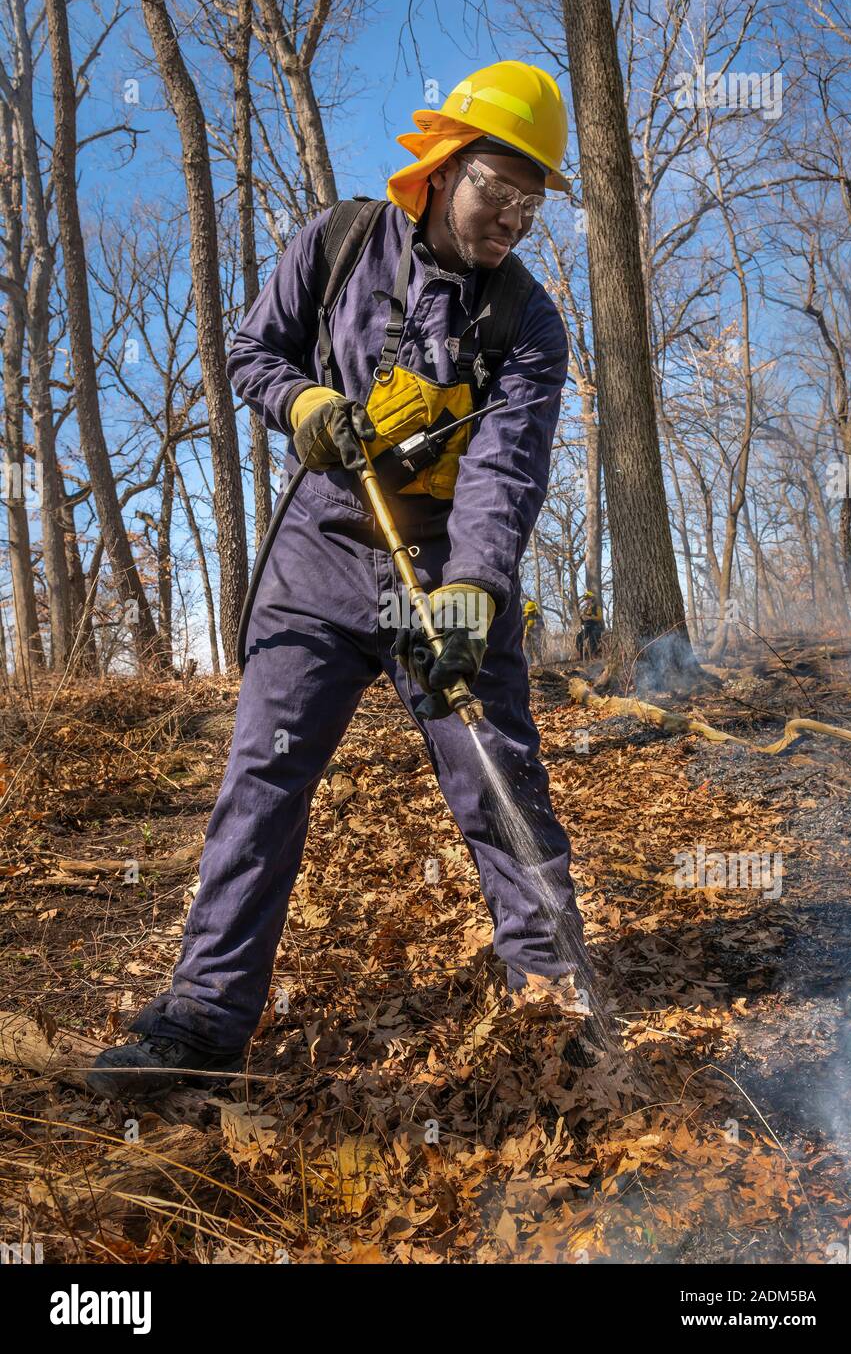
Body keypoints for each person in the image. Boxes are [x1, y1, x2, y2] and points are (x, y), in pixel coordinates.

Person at [88, 60, 595, 1100]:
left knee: (501, 791)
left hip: (447, 574)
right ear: (445, 165)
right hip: (319, 556)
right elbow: (250, 352)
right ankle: (204, 1020)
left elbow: (506, 465)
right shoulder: (337, 243)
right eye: (496, 187)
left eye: (530, 202)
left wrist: (475, 584)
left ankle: (561, 1015)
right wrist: (305, 404)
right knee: (261, 782)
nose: (509, 216)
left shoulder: (529, 325)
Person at [578, 590, 604, 661]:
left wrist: (591, 617)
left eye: (587, 598)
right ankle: (583, 657)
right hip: (587, 628)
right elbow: (583, 622)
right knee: (579, 638)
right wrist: (582, 619)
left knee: (593, 638)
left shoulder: (597, 608)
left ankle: (593, 656)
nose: (586, 600)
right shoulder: (585, 609)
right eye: (585, 599)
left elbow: (600, 618)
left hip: (595, 627)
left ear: (591, 599)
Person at [522, 598, 545, 665]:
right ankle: (529, 666)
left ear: (534, 610)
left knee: (537, 650)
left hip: (536, 636)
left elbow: (542, 626)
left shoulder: (538, 617)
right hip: (526, 636)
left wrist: (534, 627)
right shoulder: (524, 617)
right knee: (527, 651)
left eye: (530, 611)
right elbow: (521, 627)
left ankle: (540, 665)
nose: (529, 613)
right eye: (528, 611)